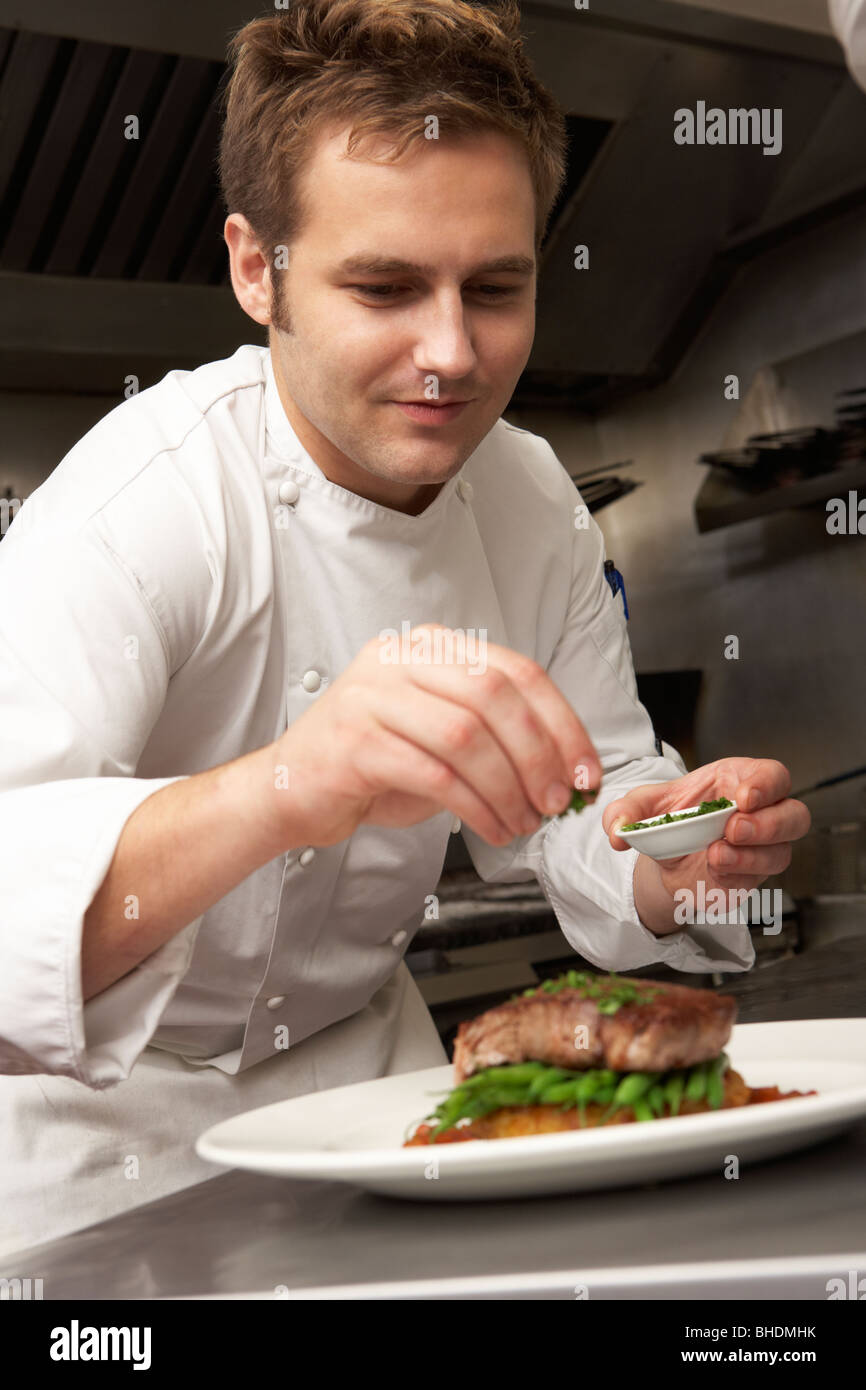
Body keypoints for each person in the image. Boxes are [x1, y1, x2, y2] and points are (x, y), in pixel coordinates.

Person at [0, 0, 810, 1257]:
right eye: (383, 286)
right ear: (253, 267)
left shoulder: (531, 495)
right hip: (90, 1155)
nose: (451, 355)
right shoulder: (142, 503)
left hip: (369, 1109)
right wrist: (287, 787)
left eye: (496, 287)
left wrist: (680, 844)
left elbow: (586, 802)